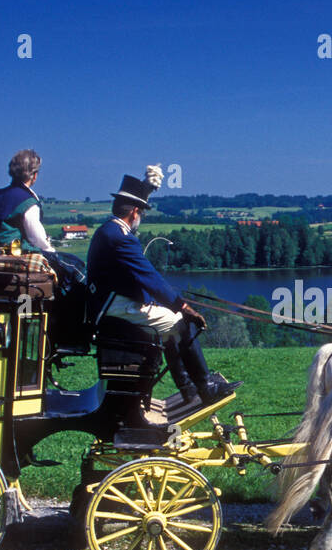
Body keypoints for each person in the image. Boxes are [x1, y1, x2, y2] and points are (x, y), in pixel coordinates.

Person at [87, 167, 240, 407]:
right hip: (115, 308)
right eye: (143, 212)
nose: (143, 217)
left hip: (110, 304)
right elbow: (150, 278)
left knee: (169, 323)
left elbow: (138, 279)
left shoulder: (109, 230)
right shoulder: (122, 238)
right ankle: (205, 387)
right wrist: (183, 306)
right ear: (135, 212)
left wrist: (145, 190)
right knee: (182, 322)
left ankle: (189, 389)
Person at [0, 149, 89, 344]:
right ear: (34, 175)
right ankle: (67, 334)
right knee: (76, 268)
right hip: (15, 254)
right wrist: (53, 252)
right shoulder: (27, 201)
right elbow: (37, 238)